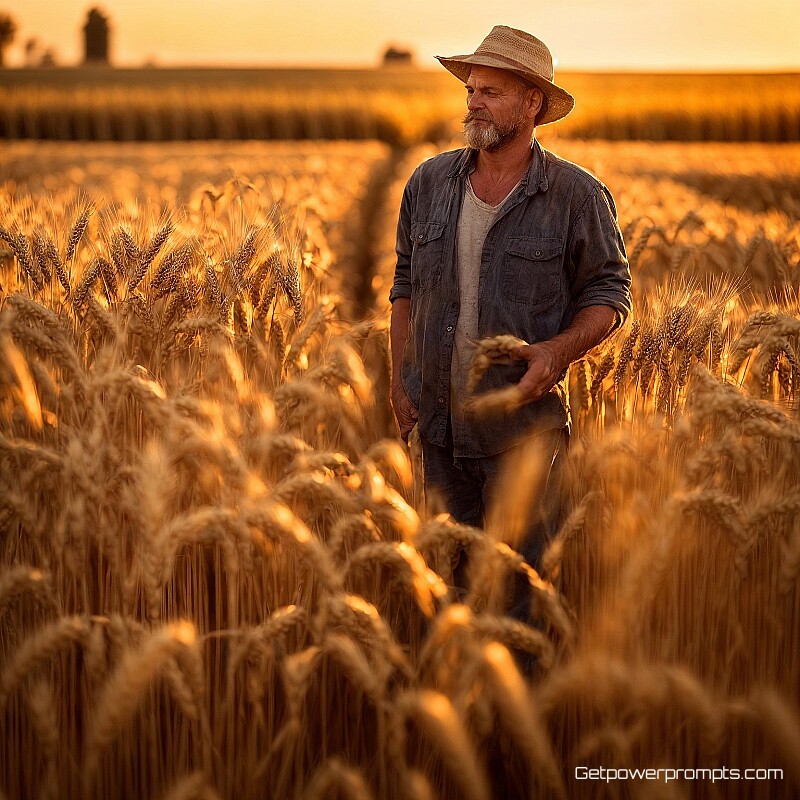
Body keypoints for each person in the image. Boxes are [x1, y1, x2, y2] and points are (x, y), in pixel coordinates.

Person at [389, 26, 632, 622]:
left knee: (524, 599)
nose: (473, 102)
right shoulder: (428, 184)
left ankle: (522, 709)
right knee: (449, 596)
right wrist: (400, 383)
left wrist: (558, 351)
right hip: (440, 433)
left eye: (490, 92)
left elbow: (610, 290)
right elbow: (403, 287)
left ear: (532, 104)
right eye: (471, 90)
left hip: (524, 439)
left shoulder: (576, 197)